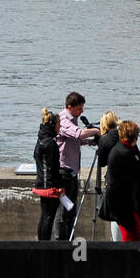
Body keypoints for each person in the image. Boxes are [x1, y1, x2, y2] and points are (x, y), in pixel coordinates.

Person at [56, 92, 100, 241]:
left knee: (71, 209)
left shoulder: (73, 119)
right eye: (79, 108)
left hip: (72, 171)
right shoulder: (63, 120)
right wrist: (96, 130)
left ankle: (69, 237)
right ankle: (61, 240)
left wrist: (91, 142)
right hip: (64, 171)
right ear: (70, 107)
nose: (82, 111)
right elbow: (78, 134)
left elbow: (75, 140)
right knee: (64, 209)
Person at [106, 119, 140, 241]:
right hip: (124, 203)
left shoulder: (120, 150)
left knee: (132, 235)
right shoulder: (125, 153)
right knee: (133, 237)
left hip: (122, 202)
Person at [32, 108, 66, 241]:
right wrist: (59, 186)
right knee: (48, 217)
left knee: (44, 216)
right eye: (58, 124)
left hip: (41, 182)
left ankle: (41, 243)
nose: (60, 126)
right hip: (49, 185)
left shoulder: (40, 139)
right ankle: (44, 245)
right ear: (53, 125)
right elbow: (53, 168)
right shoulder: (50, 143)